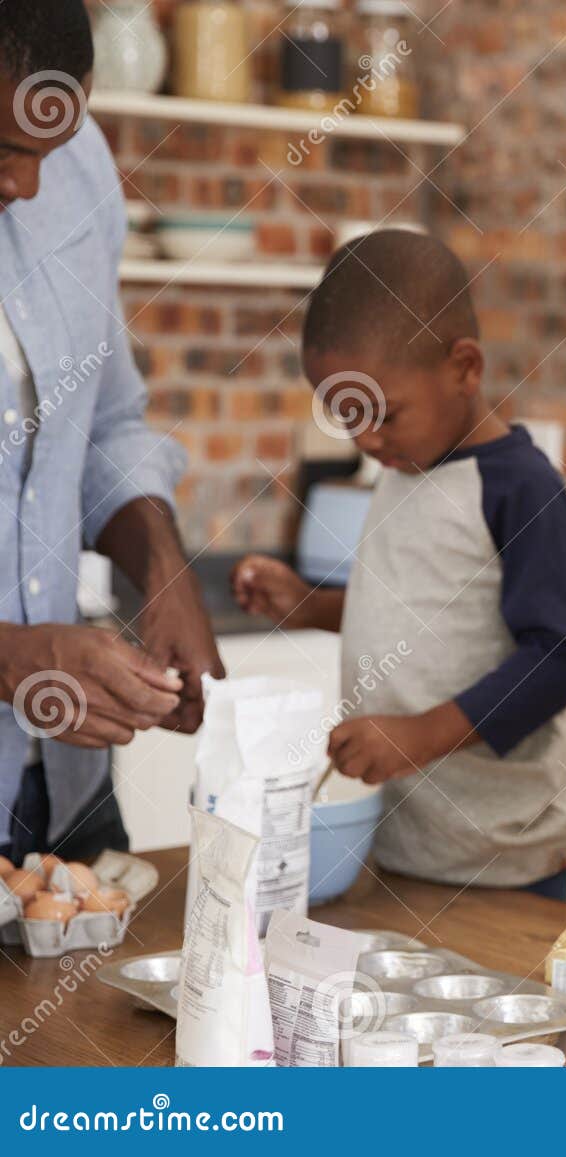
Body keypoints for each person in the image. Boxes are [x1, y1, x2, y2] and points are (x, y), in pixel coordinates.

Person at [232, 230, 566, 901]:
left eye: (384, 415)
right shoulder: (405, 468)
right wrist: (308, 604)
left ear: (465, 367)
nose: (367, 441)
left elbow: (565, 650)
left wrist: (420, 736)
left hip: (505, 854)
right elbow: (416, 606)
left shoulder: (520, 488)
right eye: (347, 419)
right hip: (406, 840)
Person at [0, 0, 222, 862]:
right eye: (8, 151)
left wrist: (161, 569)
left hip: (64, 794)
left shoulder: (78, 164)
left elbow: (105, 420)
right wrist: (10, 657)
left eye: (47, 147)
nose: (28, 187)